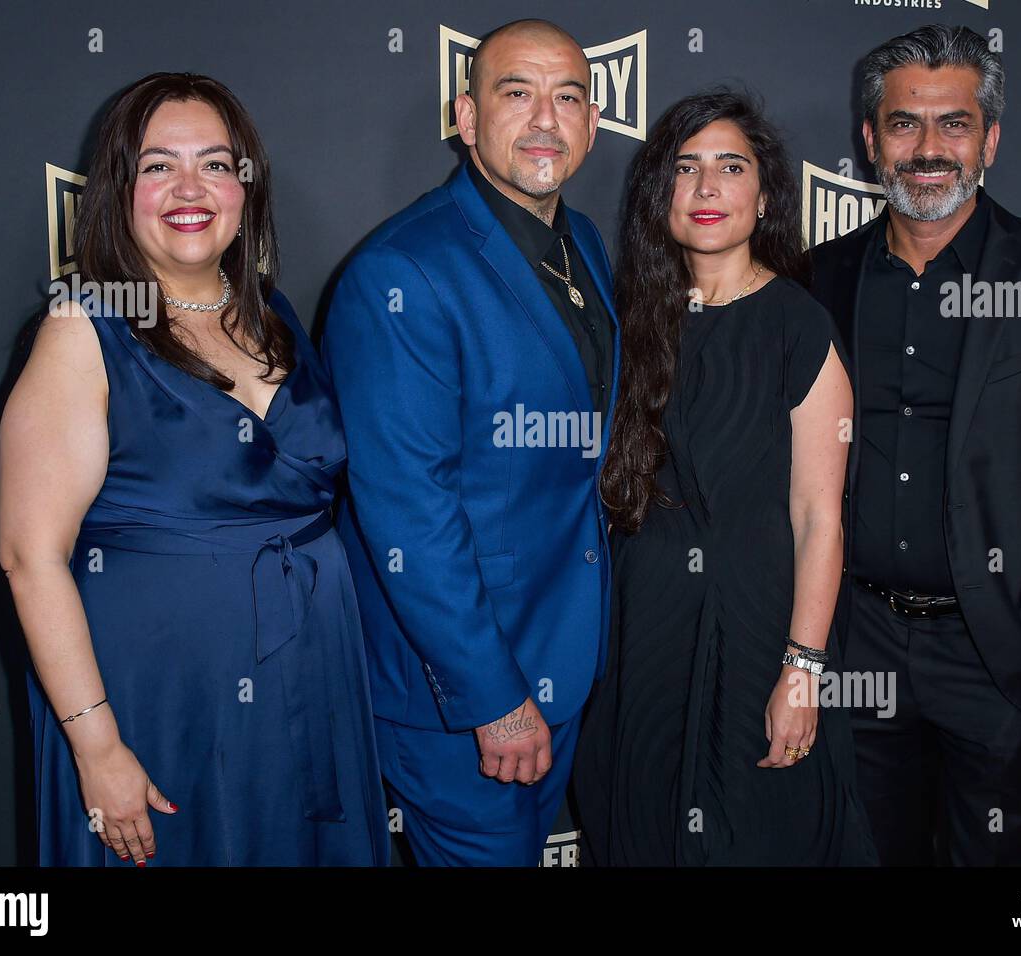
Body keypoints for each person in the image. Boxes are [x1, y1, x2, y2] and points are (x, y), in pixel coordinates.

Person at [0, 73, 389, 866]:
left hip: (308, 675)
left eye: (216, 164)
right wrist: (98, 746)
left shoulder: (273, 316)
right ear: (119, 188)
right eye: (157, 165)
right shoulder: (84, 332)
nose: (190, 187)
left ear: (246, 188)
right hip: (159, 695)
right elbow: (28, 557)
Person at [809, 24, 1021, 865]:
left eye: (954, 123)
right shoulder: (822, 278)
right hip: (857, 648)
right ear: (871, 140)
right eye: (904, 124)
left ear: (991, 138)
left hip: (1001, 651)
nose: (928, 149)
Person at [322, 19, 617, 866]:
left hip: (562, 658)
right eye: (515, 92)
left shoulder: (585, 244)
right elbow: (409, 511)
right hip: (466, 693)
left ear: (594, 124)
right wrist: (493, 697)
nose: (544, 120)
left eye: (567, 98)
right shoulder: (403, 271)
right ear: (467, 115)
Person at [572, 89, 880, 866]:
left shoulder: (798, 325)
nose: (707, 189)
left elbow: (820, 516)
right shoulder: (628, 320)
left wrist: (802, 671)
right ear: (660, 195)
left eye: (730, 168)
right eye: (686, 169)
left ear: (764, 193)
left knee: (754, 833)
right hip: (643, 630)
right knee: (641, 827)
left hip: (758, 629)